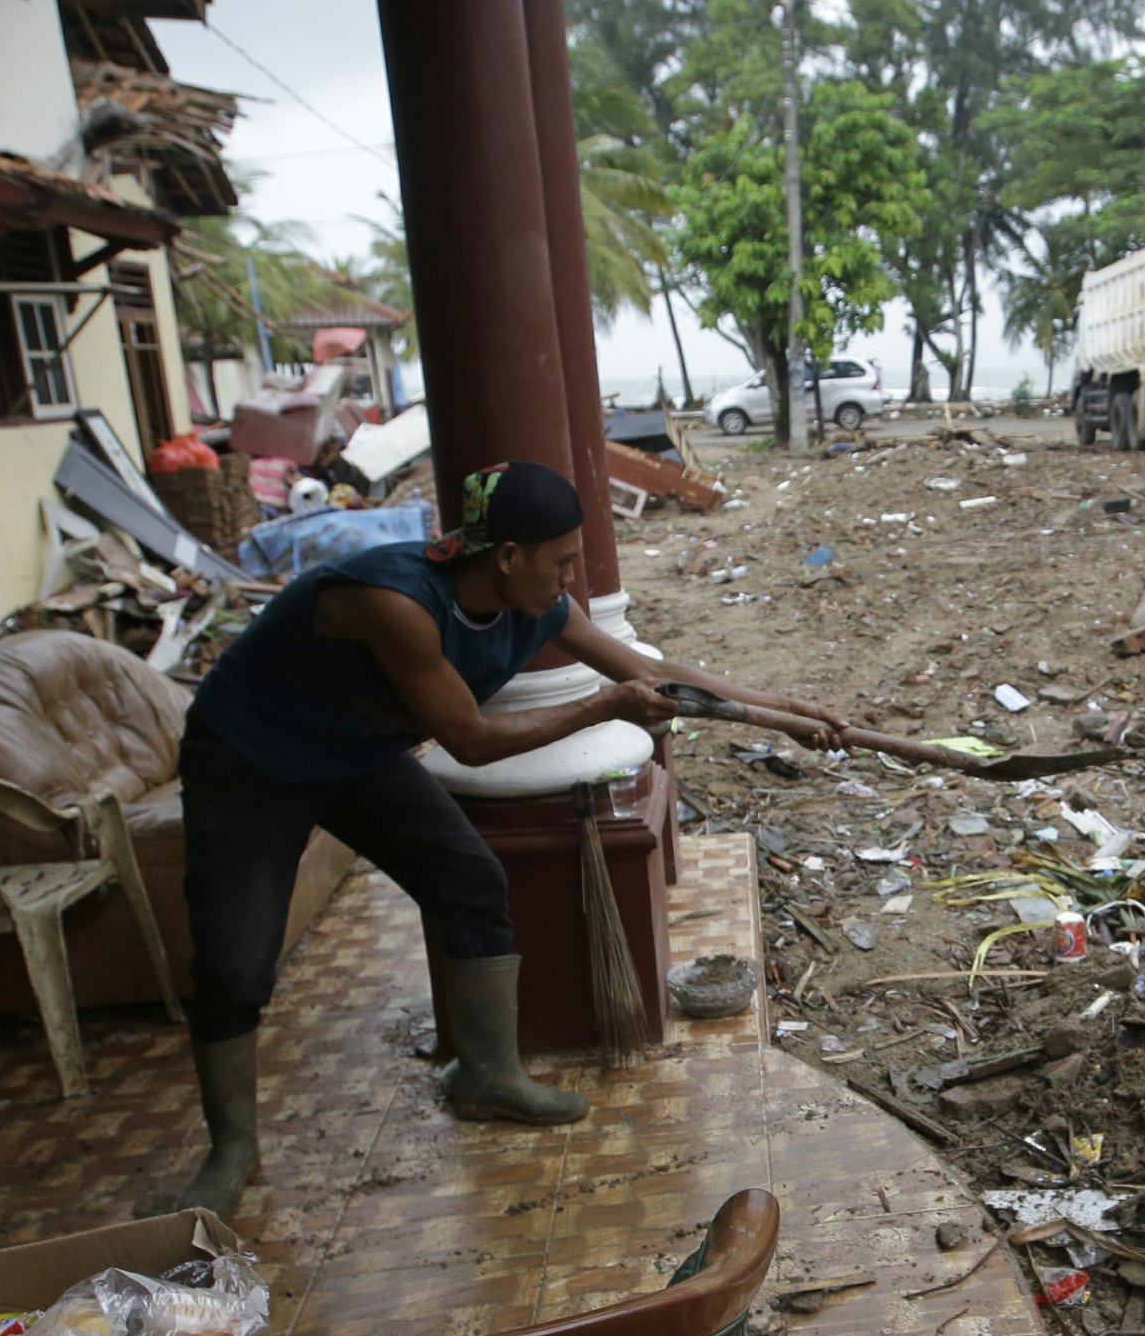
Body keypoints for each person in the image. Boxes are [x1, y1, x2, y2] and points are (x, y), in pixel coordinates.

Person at [158, 459, 844, 1216]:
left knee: (471, 881)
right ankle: (231, 1150)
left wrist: (782, 711)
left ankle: (487, 1077)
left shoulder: (539, 605)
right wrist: (601, 707)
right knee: (234, 960)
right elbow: (472, 741)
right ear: (509, 556)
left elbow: (652, 673)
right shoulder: (395, 602)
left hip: (353, 757)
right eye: (562, 560)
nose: (572, 577)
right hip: (249, 759)